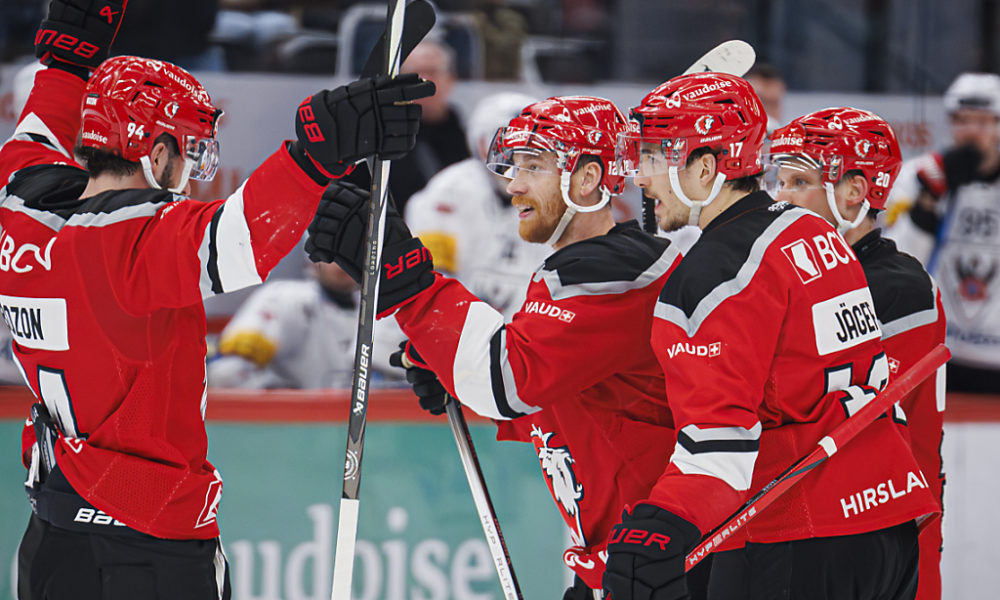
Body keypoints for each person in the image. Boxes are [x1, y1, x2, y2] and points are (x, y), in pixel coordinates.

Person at [2, 1, 431, 597]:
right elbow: (244, 238)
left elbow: (40, 122)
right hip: (146, 547)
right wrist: (318, 152)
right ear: (155, 154)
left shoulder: (20, 207)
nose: (191, 172)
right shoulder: (134, 242)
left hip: (53, 537)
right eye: (187, 151)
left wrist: (67, 55)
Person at [305, 95, 683, 598]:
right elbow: (590, 405)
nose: (514, 185)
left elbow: (508, 383)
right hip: (615, 564)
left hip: (658, 565)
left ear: (589, 178)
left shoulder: (612, 276)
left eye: (534, 166)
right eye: (514, 165)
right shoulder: (587, 267)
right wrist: (457, 376)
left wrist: (404, 276)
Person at [603, 72, 938, 600]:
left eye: (652, 157)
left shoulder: (715, 272)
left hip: (799, 531)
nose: (639, 178)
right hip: (888, 523)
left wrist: (661, 524)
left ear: (706, 167)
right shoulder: (817, 233)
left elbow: (719, 440)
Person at [768, 107, 947, 600]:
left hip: (883, 535)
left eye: (798, 182)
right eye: (778, 182)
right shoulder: (813, 274)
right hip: (830, 532)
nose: (779, 199)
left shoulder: (898, 287)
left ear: (855, 193)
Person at [885, 72, 1000, 394]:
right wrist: (927, 203)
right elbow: (898, 264)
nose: (972, 132)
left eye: (984, 121)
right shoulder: (919, 175)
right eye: (962, 120)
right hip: (940, 350)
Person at [404, 91, 549, 321]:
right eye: (512, 148)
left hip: (516, 338)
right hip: (447, 332)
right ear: (483, 146)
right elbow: (431, 281)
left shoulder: (551, 199)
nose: (521, 161)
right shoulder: (447, 195)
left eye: (533, 149)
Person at [208, 258, 404, 388]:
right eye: (331, 254)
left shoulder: (384, 310)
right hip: (296, 435)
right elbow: (225, 373)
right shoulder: (287, 298)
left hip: (356, 436)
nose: (341, 263)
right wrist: (281, 401)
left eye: (349, 253)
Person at [344, 39, 470, 217]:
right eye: (415, 73)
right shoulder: (373, 141)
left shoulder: (468, 142)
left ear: (451, 79)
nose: (424, 81)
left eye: (432, 72)